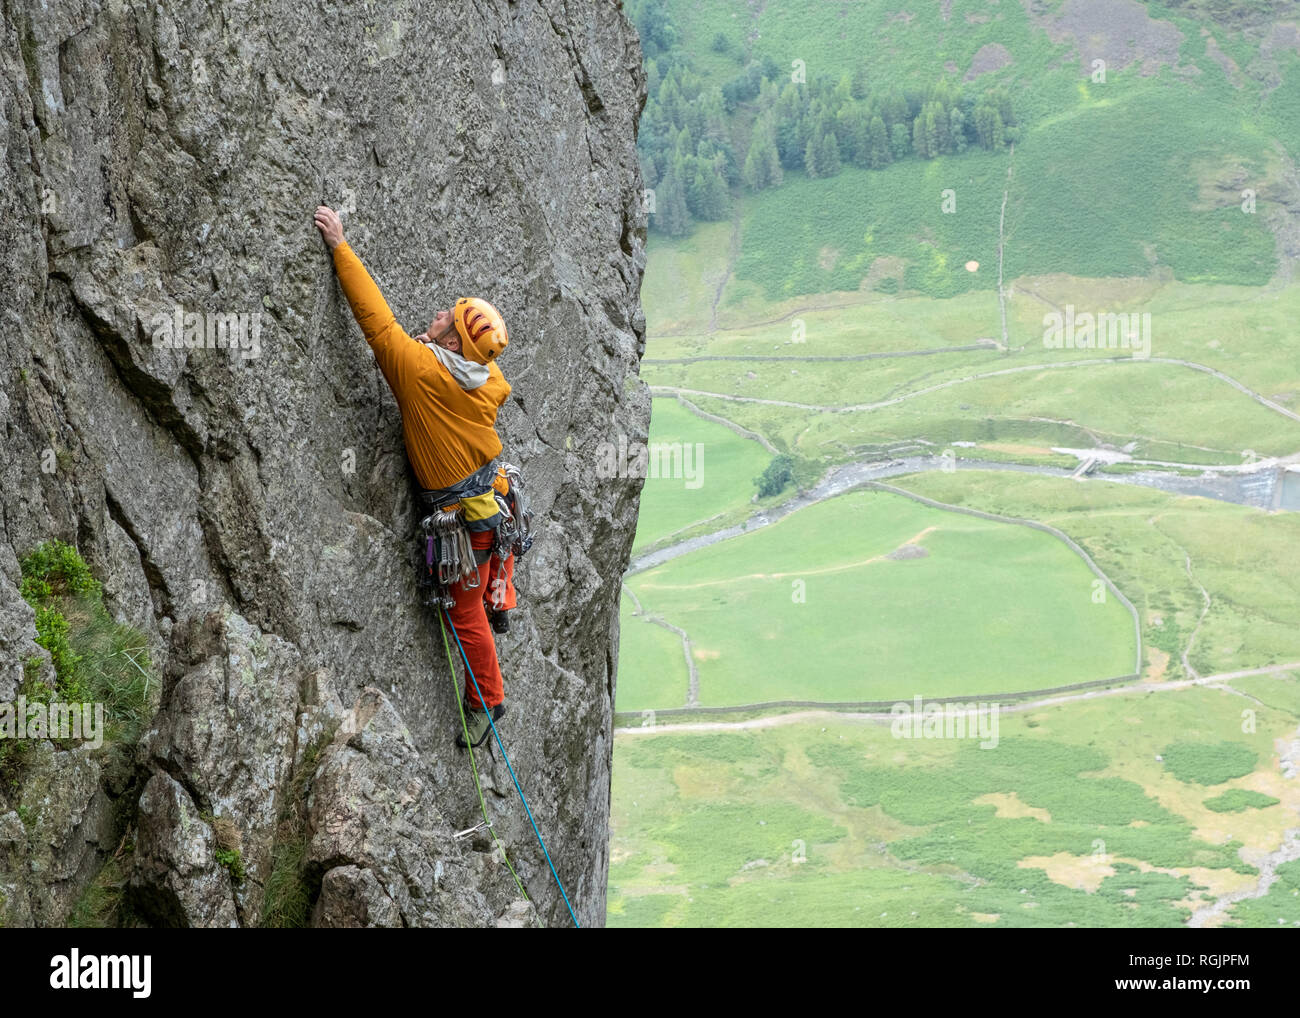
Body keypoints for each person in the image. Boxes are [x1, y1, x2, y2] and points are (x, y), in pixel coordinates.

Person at [313, 205, 517, 748]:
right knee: (480, 588)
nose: (435, 316)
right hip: (492, 501)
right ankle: (501, 600)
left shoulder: (421, 371)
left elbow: (376, 322)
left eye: (445, 321)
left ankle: (488, 700)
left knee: (464, 612)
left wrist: (340, 247)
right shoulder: (483, 374)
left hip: (464, 522)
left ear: (452, 344)